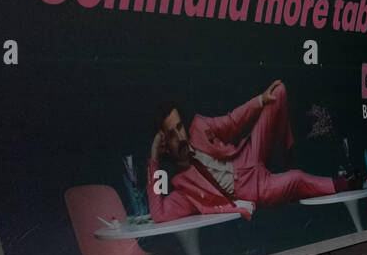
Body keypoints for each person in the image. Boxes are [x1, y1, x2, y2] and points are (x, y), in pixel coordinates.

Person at [147, 80, 349, 223]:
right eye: (172, 134)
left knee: (278, 91)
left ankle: (288, 154)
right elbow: (159, 215)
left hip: (247, 156)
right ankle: (341, 184)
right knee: (297, 178)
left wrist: (260, 99)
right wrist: (154, 155)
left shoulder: (199, 127)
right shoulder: (183, 188)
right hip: (253, 188)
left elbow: (233, 121)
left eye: (180, 127)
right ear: (164, 144)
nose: (181, 137)